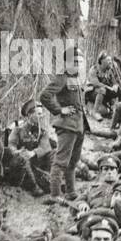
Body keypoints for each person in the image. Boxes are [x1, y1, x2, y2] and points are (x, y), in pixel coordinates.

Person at [40, 49, 89, 202]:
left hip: (78, 125)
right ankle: (55, 195)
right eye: (75, 62)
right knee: (61, 161)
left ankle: (71, 192)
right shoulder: (62, 77)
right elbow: (44, 96)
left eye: (80, 62)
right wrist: (60, 110)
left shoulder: (77, 78)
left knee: (73, 161)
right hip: (67, 125)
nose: (78, 65)